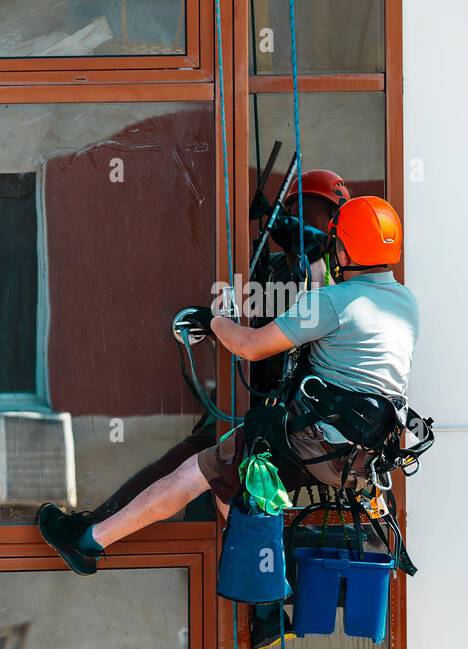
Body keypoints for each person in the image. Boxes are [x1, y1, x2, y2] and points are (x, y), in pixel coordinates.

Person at [38, 196, 416, 578]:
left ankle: (88, 540)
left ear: (344, 249)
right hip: (363, 459)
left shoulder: (334, 302)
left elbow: (250, 347)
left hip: (312, 443)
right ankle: (263, 598)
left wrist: (216, 322)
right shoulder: (406, 303)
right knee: (231, 488)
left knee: (193, 472)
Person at [87, 169, 353, 523]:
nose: (311, 219)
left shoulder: (338, 275)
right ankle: (105, 518)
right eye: (301, 210)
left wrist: (305, 248)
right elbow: (250, 317)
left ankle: (104, 525)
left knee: (213, 474)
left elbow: (317, 291)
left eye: (320, 212)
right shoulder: (275, 266)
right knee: (192, 467)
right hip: (252, 395)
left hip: (295, 416)